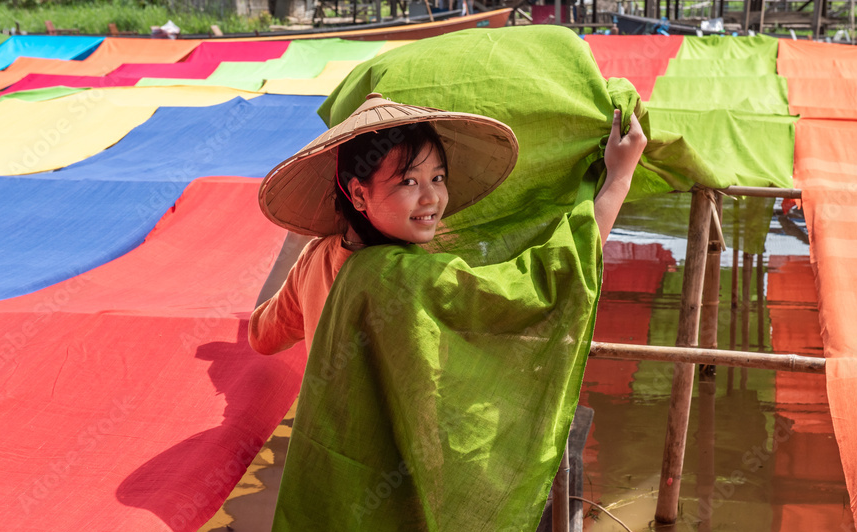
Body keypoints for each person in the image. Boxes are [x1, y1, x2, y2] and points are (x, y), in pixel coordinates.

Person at [248, 91, 647, 358]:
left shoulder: (315, 259)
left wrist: (296, 245)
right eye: (408, 182)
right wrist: (618, 179)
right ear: (358, 194)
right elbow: (546, 286)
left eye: (437, 178)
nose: (432, 199)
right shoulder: (416, 278)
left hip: (332, 448)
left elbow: (262, 335)